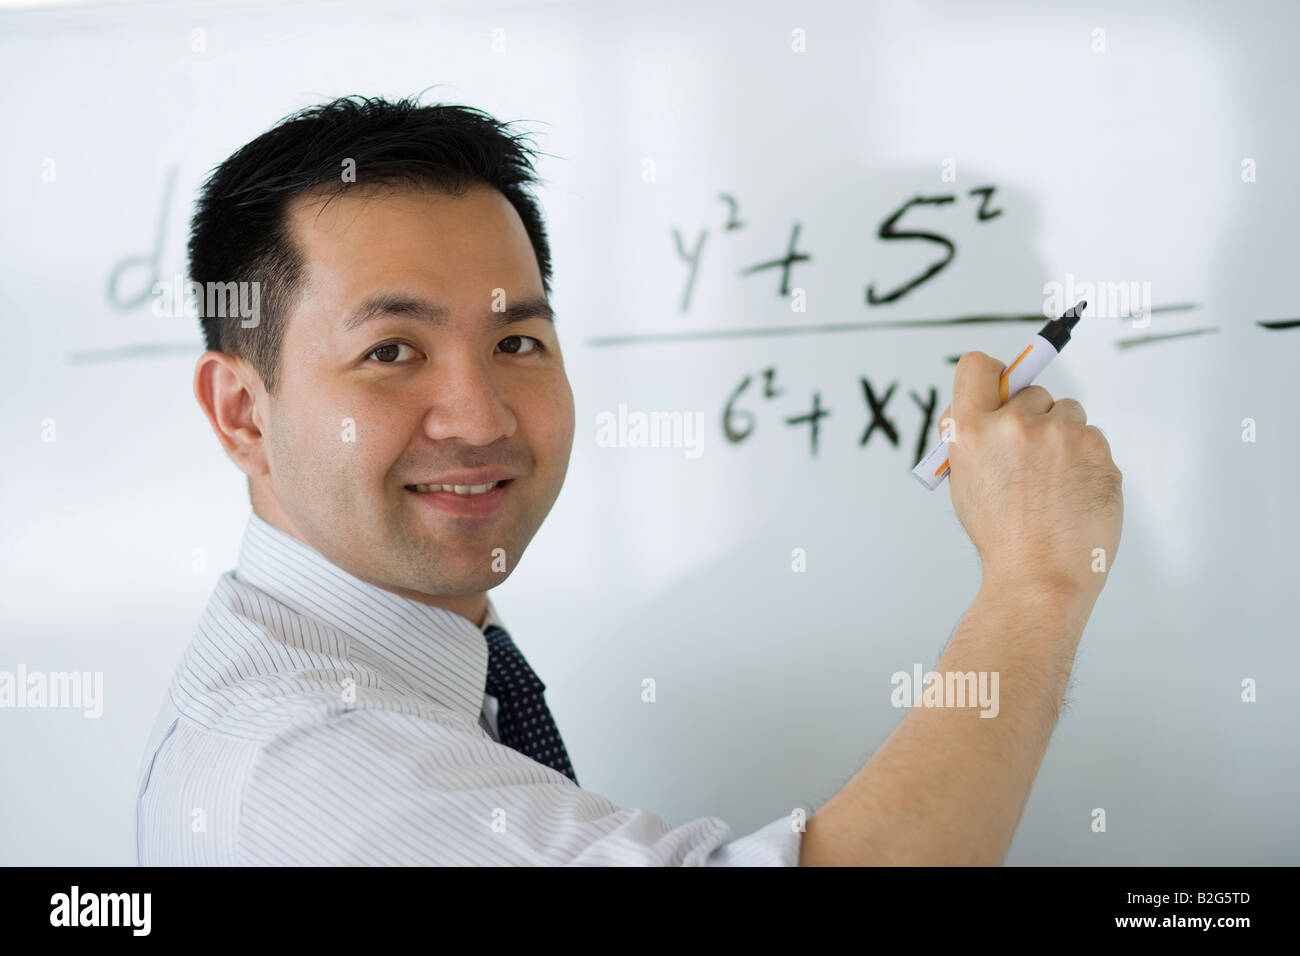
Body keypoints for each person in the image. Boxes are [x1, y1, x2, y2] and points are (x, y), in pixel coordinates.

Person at [135, 95, 1123, 866]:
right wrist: (1036, 580)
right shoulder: (307, 759)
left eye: (517, 339)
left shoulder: (409, 665)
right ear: (242, 412)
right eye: (392, 350)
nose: (480, 416)